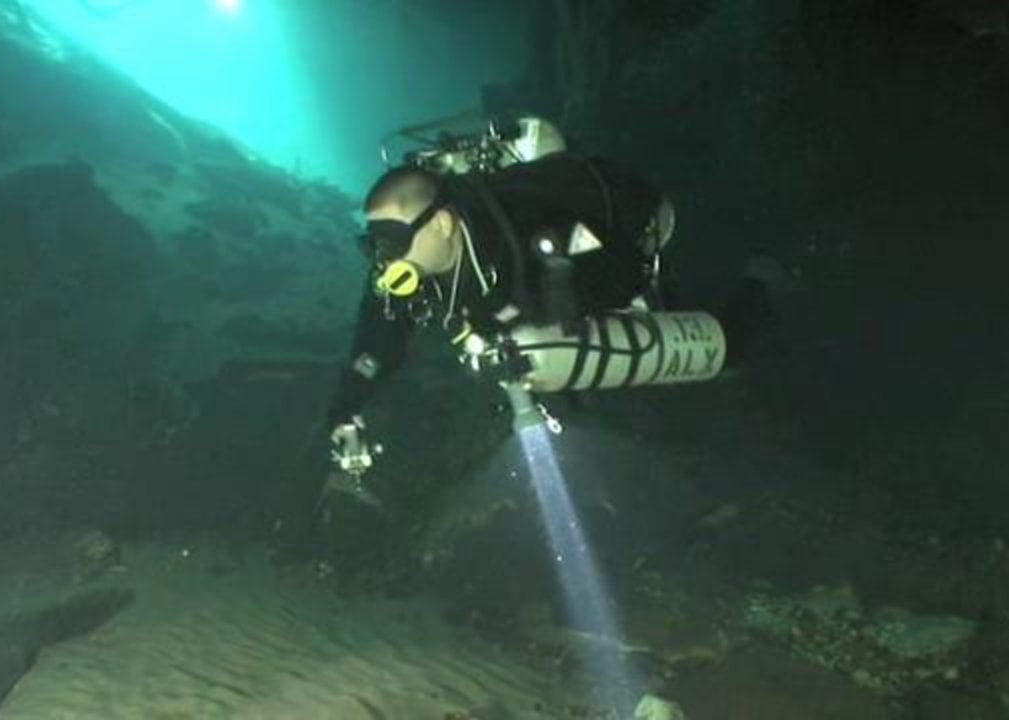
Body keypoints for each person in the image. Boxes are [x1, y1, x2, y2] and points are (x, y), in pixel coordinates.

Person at [320, 118, 773, 493]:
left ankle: (764, 282)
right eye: (373, 244)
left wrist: (534, 318)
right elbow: (376, 345)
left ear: (441, 224)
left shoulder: (520, 238)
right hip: (575, 279)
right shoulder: (407, 270)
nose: (384, 261)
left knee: (725, 350)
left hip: (635, 233)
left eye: (393, 243)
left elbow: (620, 276)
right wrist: (346, 409)